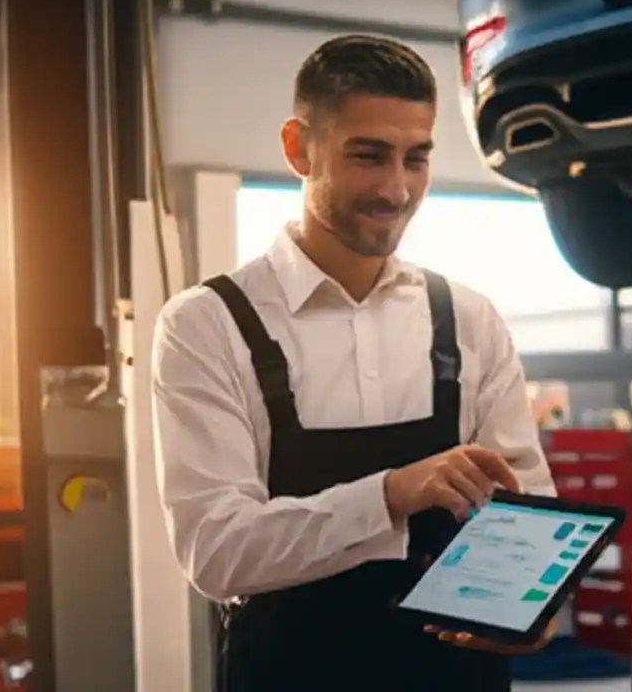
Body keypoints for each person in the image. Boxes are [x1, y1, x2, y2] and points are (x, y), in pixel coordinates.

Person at [149, 34, 556, 692]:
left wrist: (533, 599)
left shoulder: (469, 318)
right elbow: (217, 552)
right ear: (297, 148)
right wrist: (392, 493)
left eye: (416, 159)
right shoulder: (208, 326)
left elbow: (527, 504)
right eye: (368, 157)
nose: (396, 190)